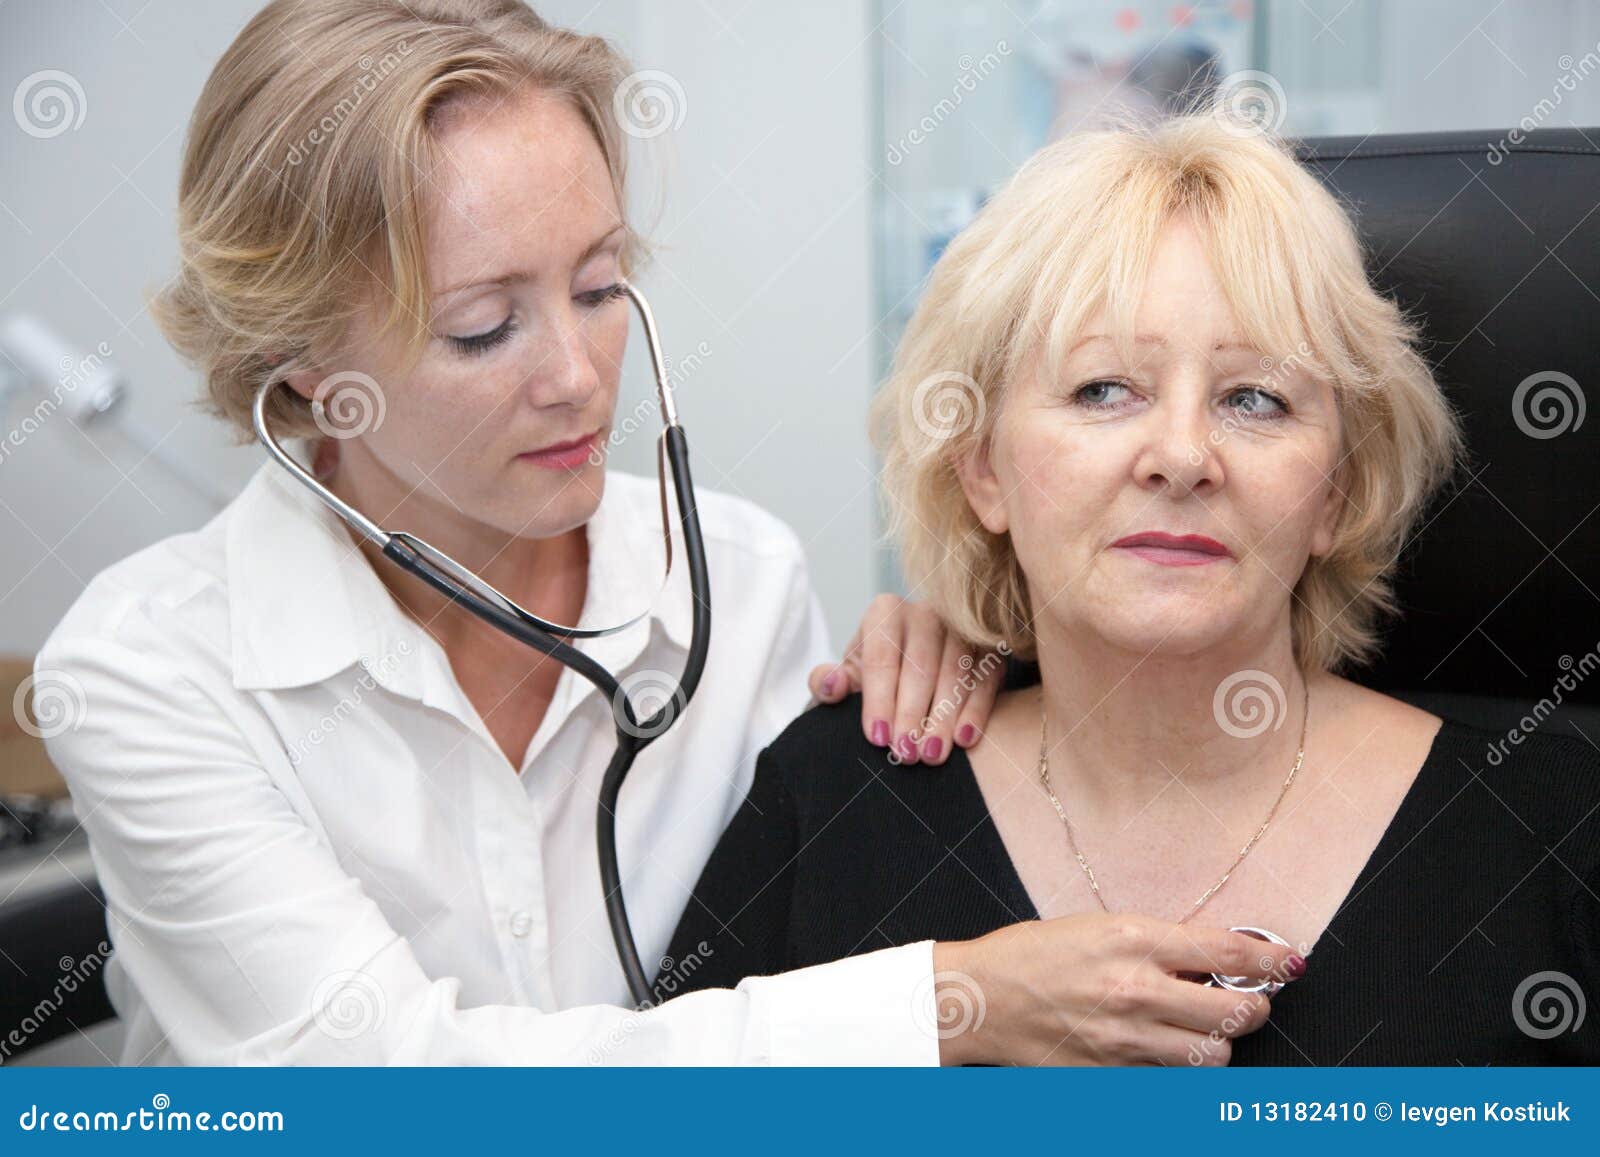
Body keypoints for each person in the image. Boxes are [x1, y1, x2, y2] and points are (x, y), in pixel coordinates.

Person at [34, 0, 1295, 1066]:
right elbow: (387, 1085)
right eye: (484, 326)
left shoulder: (737, 584)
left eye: (598, 286)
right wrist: (953, 998)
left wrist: (969, 639)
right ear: (302, 359)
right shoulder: (150, 670)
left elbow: (794, 934)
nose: (580, 376)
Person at [658, 111, 1600, 1065]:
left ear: (1337, 491)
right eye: (1104, 389)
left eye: (1254, 398)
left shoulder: (1556, 827)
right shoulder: (833, 798)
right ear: (982, 467)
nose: (1183, 456)